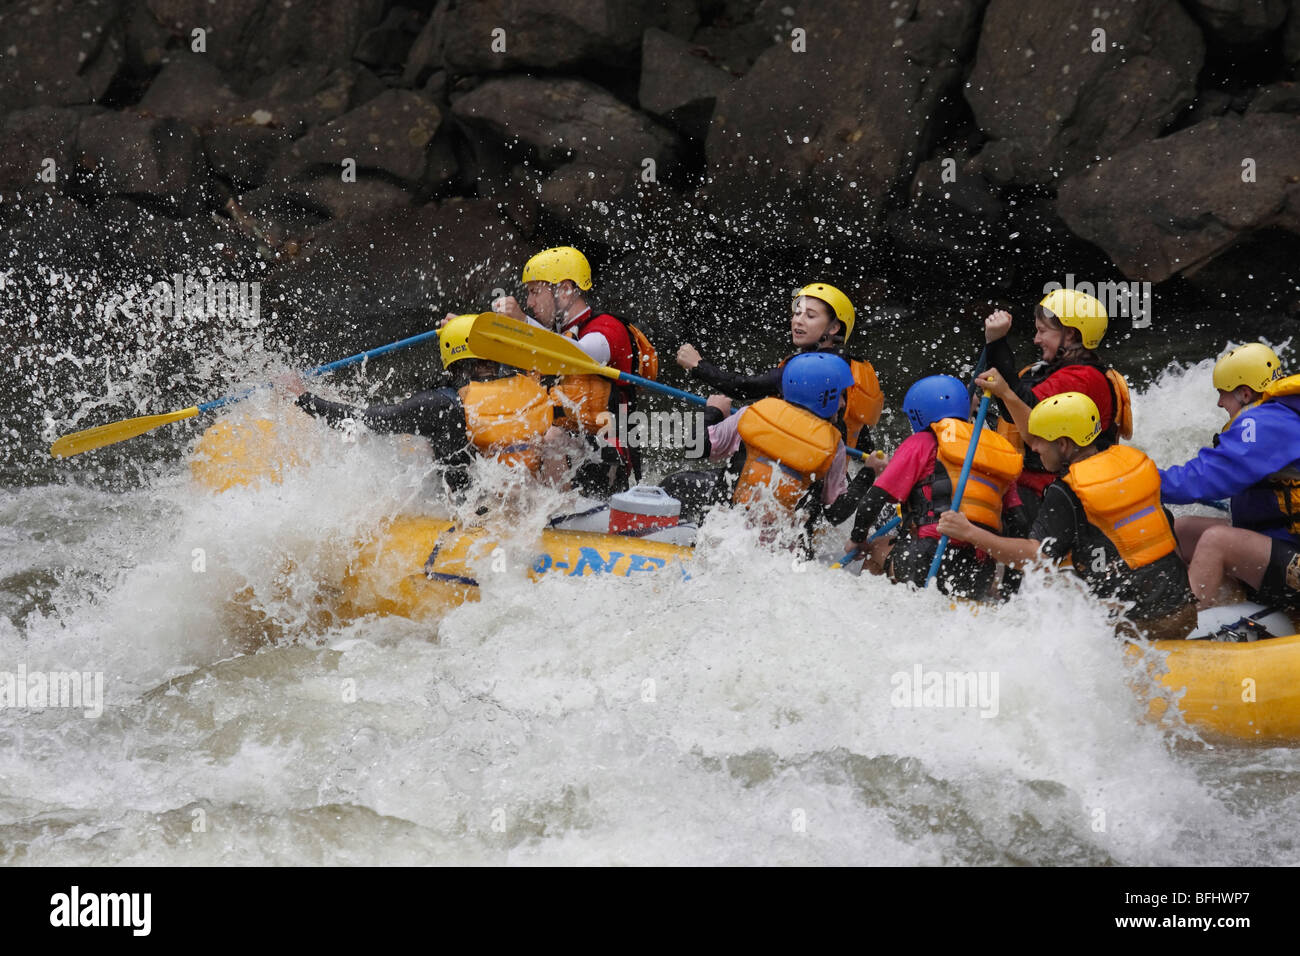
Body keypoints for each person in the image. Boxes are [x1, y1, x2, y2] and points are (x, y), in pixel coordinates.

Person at [936, 392, 1196, 640]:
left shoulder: (1069, 490)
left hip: (1140, 625)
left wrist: (970, 532)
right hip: (1184, 611)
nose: (1033, 448)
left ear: (1063, 444)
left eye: (1039, 441)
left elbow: (1034, 558)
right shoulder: (1134, 461)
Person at [278, 315, 554, 489]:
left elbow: (365, 420)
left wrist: (302, 396)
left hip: (469, 511)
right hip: (530, 500)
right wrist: (467, 327)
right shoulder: (525, 383)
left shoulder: (440, 406)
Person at [487, 245, 652, 498]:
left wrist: (522, 324)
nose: (529, 303)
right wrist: (468, 331)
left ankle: (559, 517)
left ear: (565, 290)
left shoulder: (608, 328)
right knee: (508, 432)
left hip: (607, 458)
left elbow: (578, 356)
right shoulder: (552, 336)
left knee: (552, 437)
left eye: (534, 292)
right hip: (571, 457)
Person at [839, 375, 1025, 598]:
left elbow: (873, 500)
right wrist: (1009, 590)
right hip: (979, 570)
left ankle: (872, 612)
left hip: (927, 560)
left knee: (876, 547)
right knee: (989, 583)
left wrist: (858, 539)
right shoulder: (998, 451)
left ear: (920, 413)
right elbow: (1019, 526)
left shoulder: (921, 442)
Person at [1157, 342, 1300, 611]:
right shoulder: (1281, 416)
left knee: (1217, 540)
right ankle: (1211, 602)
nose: (1219, 402)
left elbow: (1209, 476)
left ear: (1245, 393)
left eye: (1224, 394)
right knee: (1180, 529)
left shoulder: (1267, 423)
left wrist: (1147, 482)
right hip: (1284, 545)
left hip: (1295, 559)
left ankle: (1180, 627)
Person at [982, 287, 1133, 519]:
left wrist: (997, 342)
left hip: (1060, 493)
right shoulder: (1055, 370)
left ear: (1070, 335)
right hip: (1040, 485)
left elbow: (1026, 410)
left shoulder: (1081, 379)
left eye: (1042, 331)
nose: (1036, 339)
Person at [675, 283, 884, 451]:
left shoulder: (808, 371)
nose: (797, 321)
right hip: (828, 466)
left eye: (810, 316)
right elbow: (858, 434)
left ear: (835, 327)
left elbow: (745, 387)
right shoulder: (852, 368)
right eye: (797, 313)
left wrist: (697, 366)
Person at [696, 352, 853, 549]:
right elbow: (836, 512)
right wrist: (870, 473)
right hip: (783, 554)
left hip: (724, 538)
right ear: (824, 397)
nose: (843, 403)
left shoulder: (752, 414)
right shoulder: (834, 444)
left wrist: (714, 411)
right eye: (840, 395)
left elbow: (696, 446)